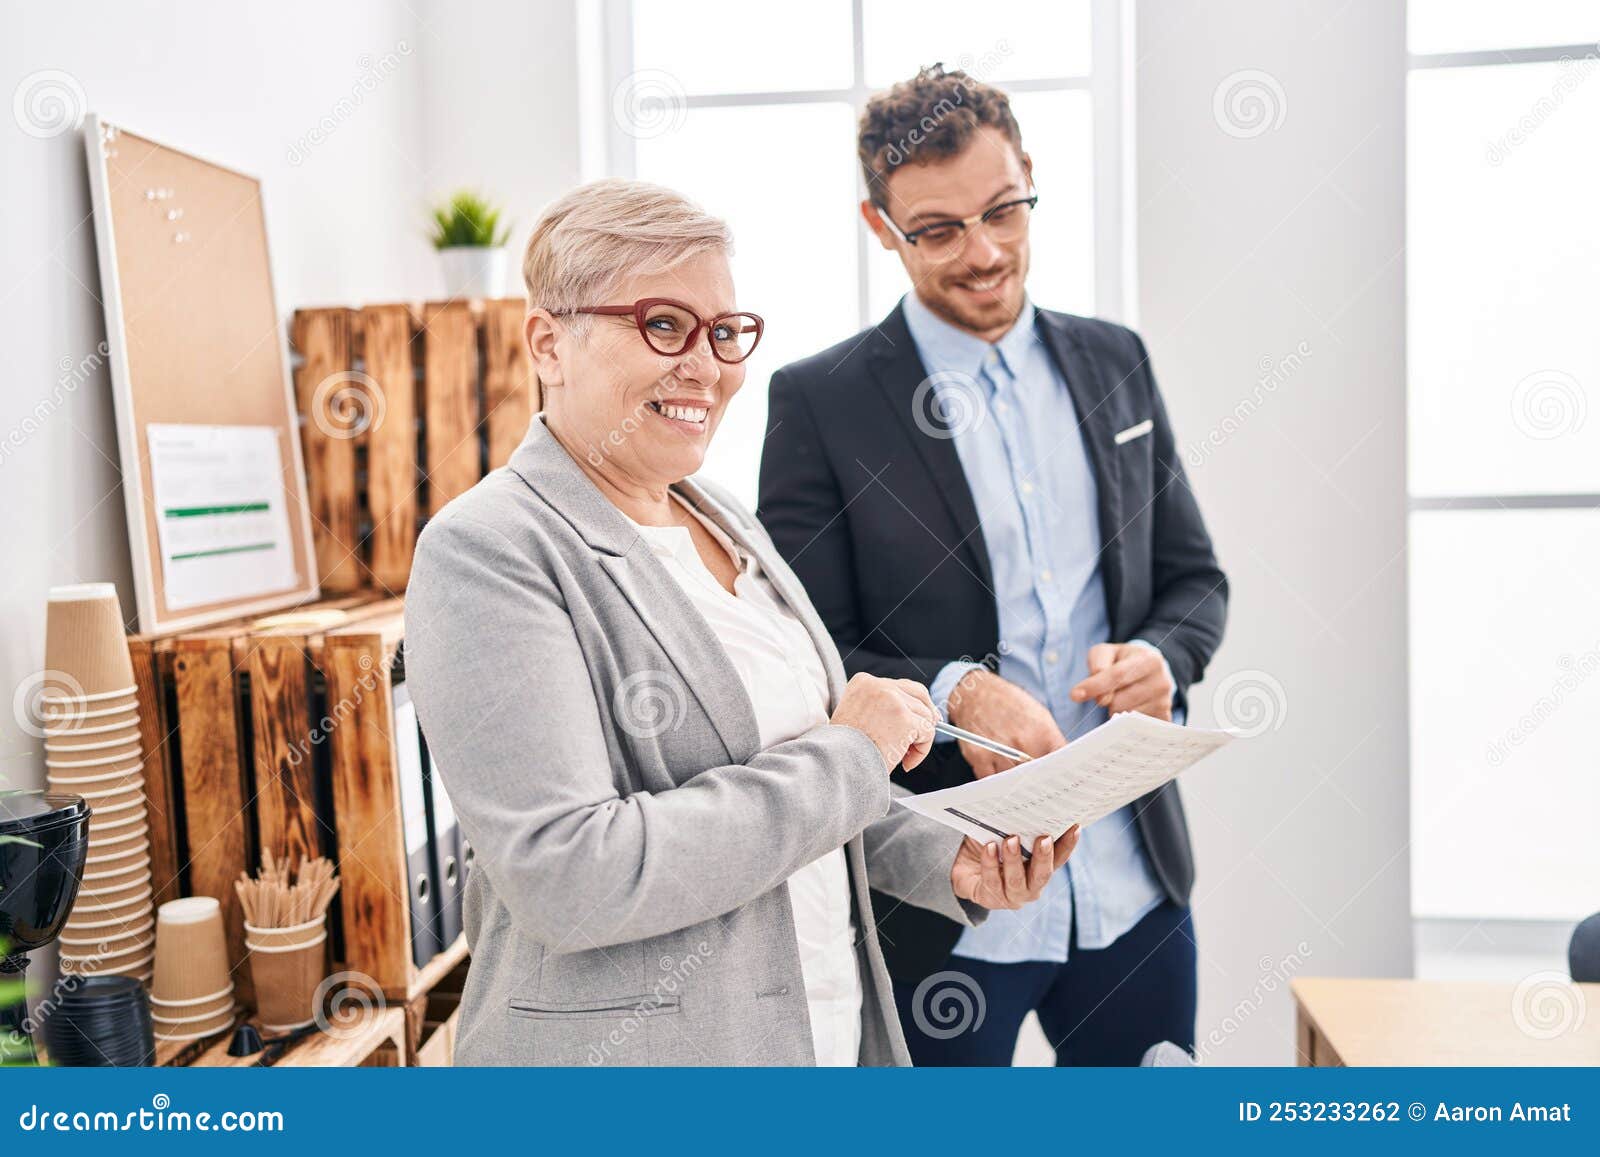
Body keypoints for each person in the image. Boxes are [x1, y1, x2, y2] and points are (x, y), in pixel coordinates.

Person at [402, 178, 1081, 1067]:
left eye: (724, 332)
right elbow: (572, 875)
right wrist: (855, 751)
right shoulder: (488, 551)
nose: (707, 366)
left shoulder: (722, 516)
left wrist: (944, 855)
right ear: (548, 343)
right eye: (663, 326)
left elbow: (796, 788)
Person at [758, 66, 1228, 1066]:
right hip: (946, 895)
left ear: (1027, 180)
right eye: (936, 229)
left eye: (1003, 210)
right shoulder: (820, 403)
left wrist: (1163, 657)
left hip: (1134, 884)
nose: (983, 252)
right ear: (878, 224)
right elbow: (801, 650)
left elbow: (1196, 580)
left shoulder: (1117, 363)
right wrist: (951, 690)